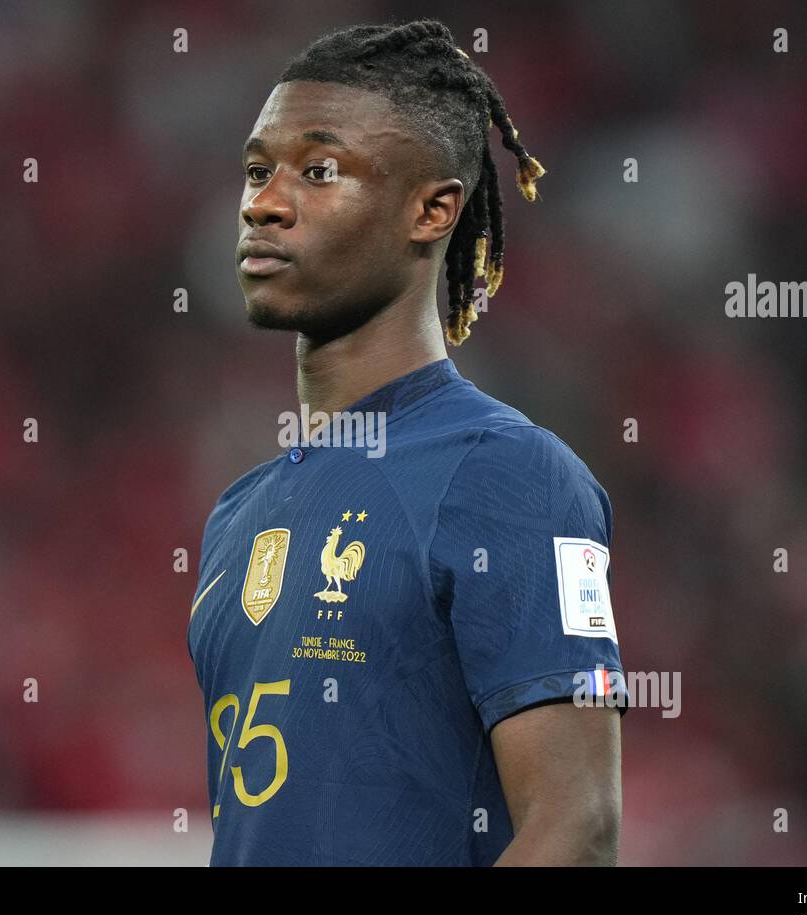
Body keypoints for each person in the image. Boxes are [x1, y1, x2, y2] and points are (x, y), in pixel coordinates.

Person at [188, 18, 628, 866]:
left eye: (319, 171)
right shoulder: (236, 515)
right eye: (256, 170)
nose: (263, 202)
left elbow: (577, 829)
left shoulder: (511, 475)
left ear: (432, 210)